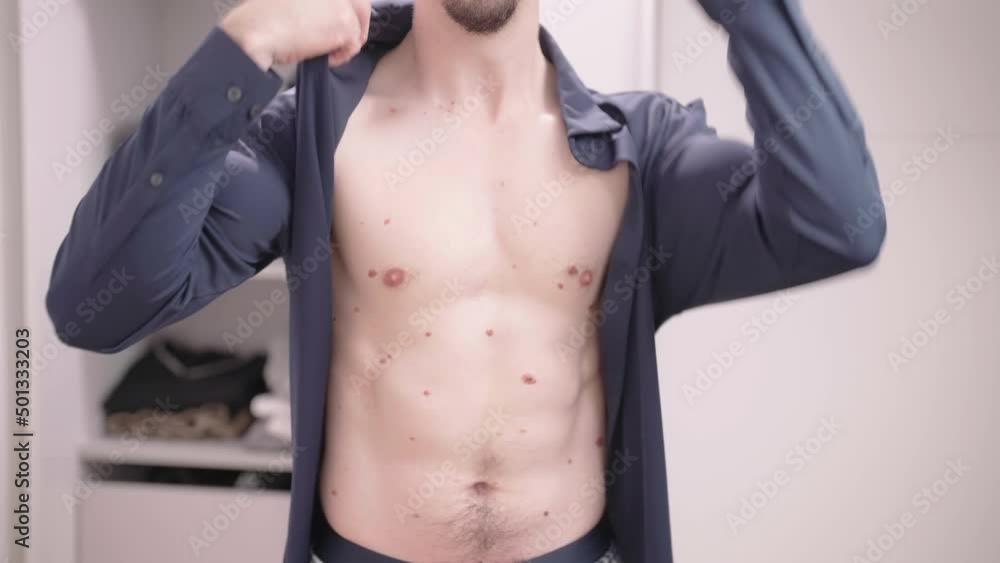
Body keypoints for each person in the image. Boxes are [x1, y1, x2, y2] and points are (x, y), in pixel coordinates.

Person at [46, 0, 886, 561]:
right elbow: (97, 303)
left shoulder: (638, 151)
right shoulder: (316, 136)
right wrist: (242, 49)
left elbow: (836, 223)